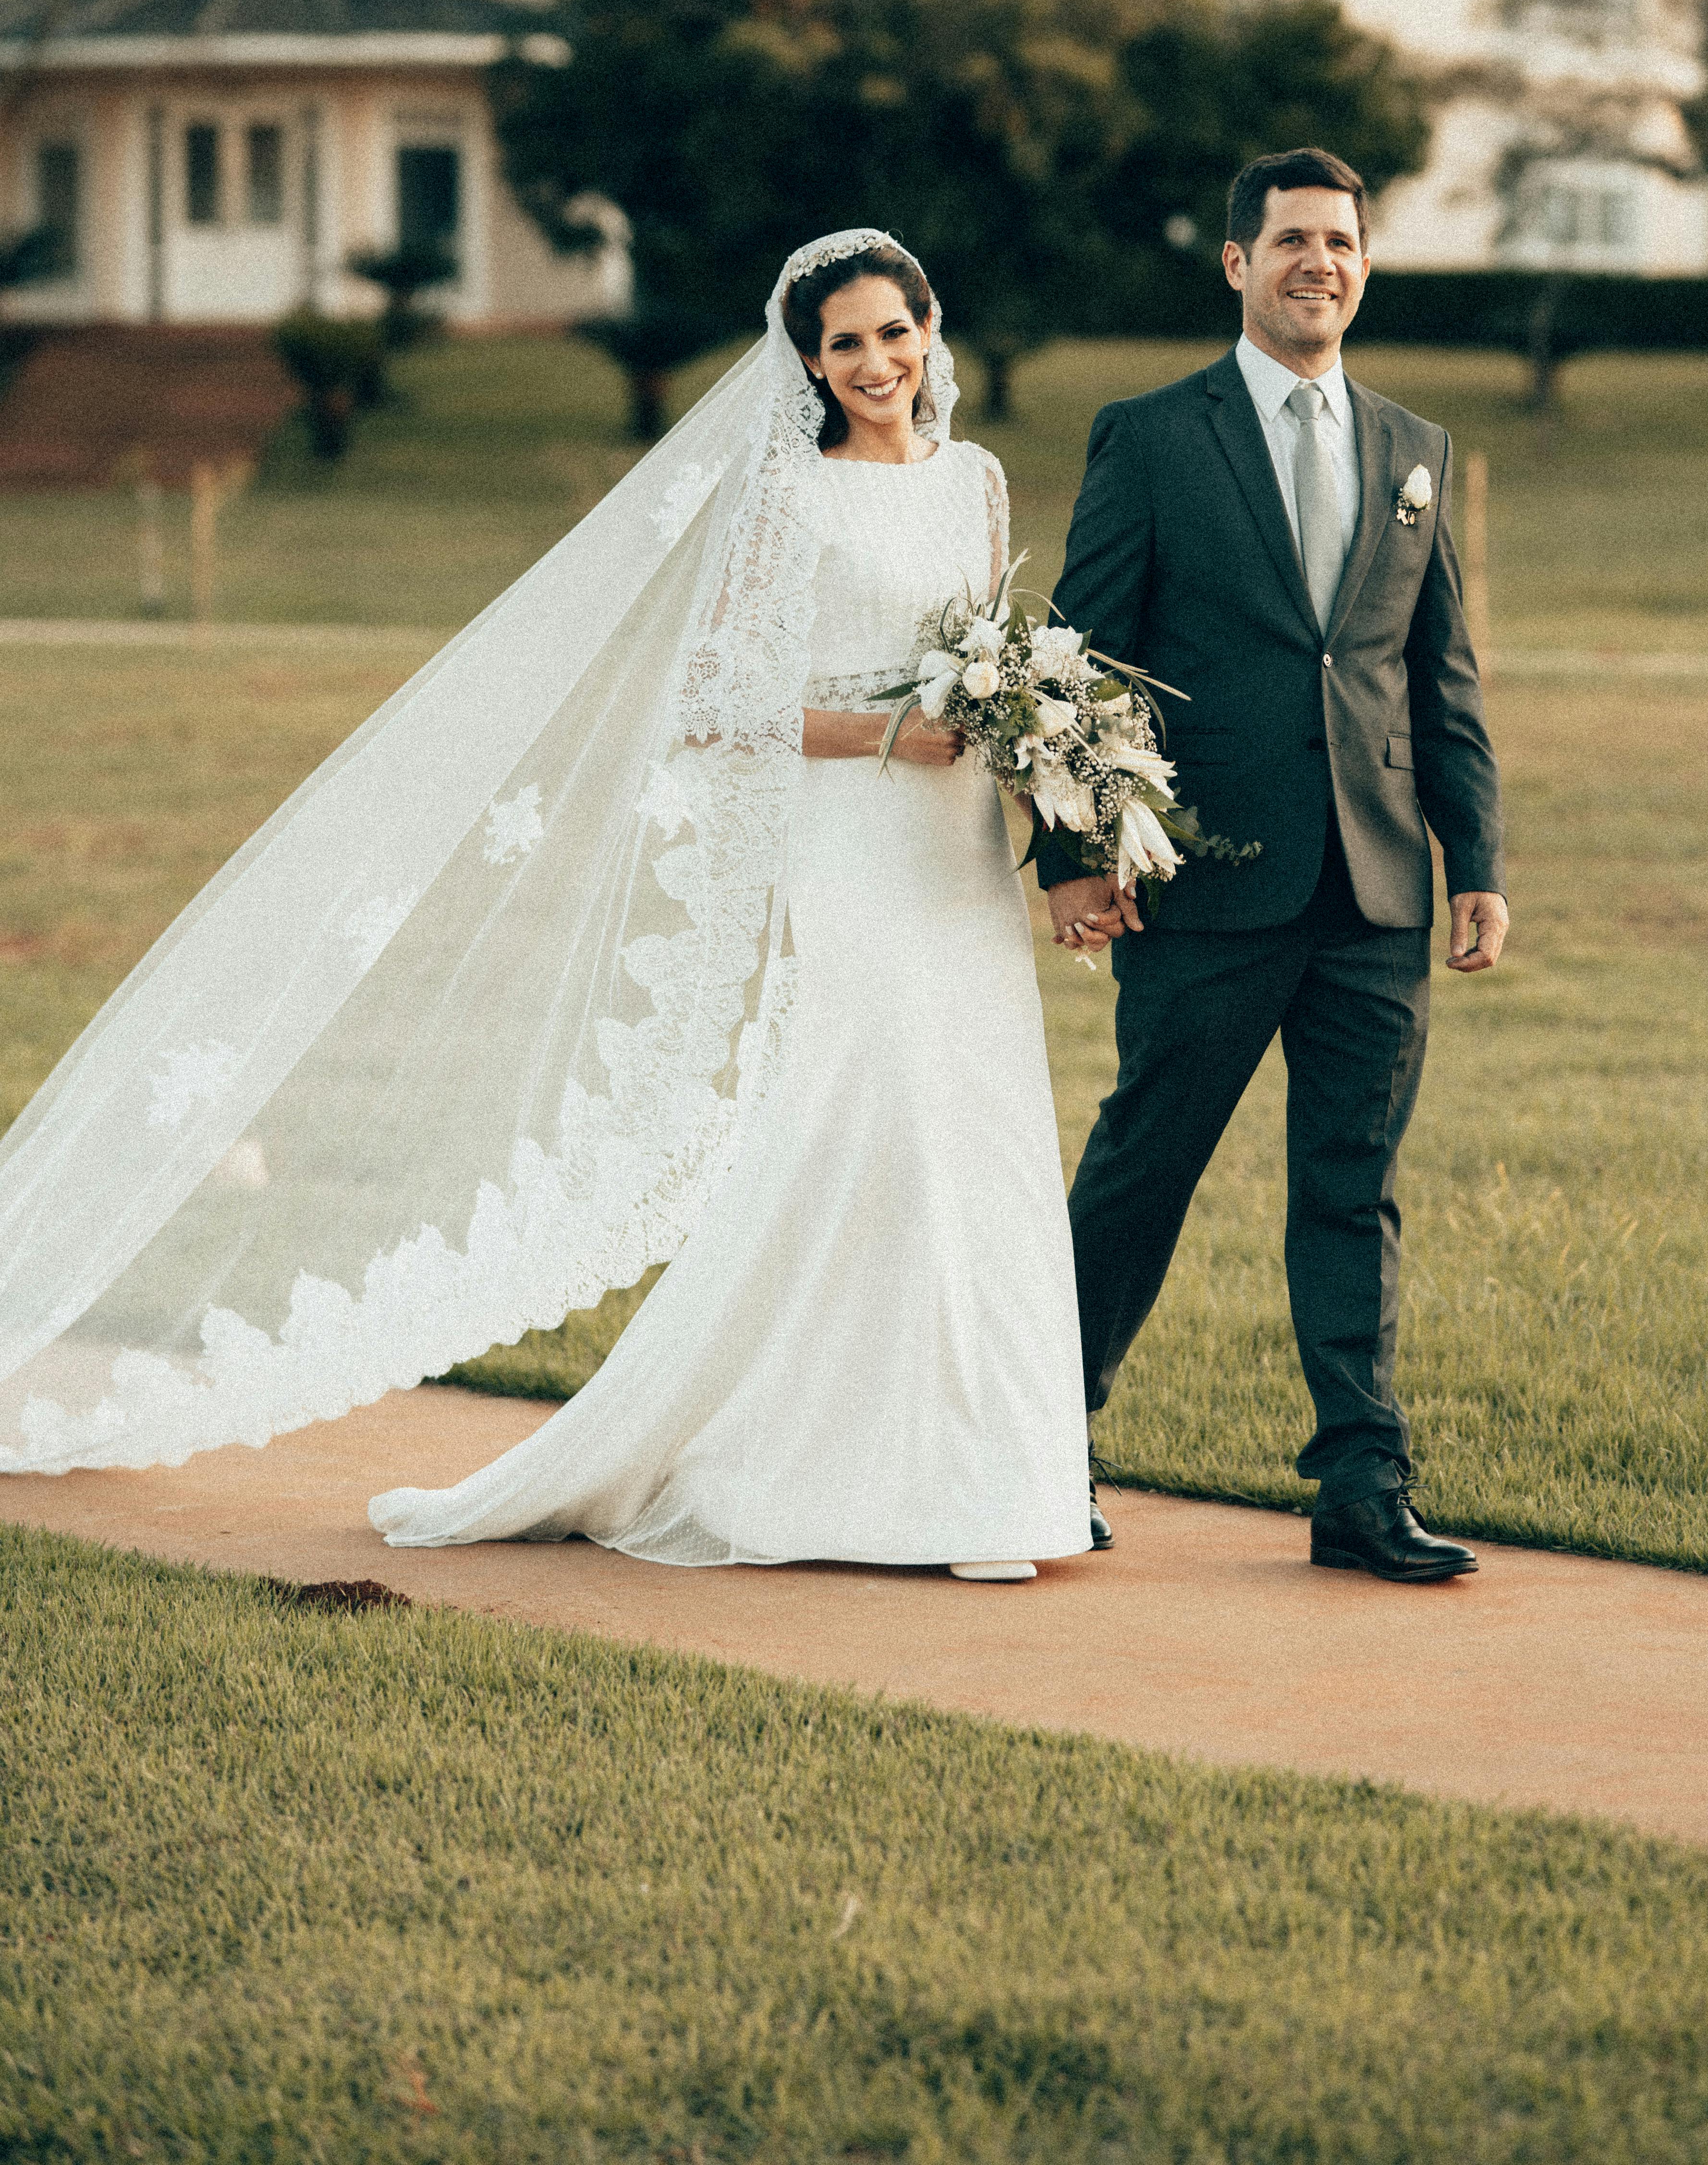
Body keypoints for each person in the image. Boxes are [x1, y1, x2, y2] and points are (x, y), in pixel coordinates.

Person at [0, 233, 1088, 1584]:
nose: (877, 363)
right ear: (808, 361)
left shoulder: (977, 485)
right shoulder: (787, 499)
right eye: (847, 343)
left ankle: (993, 1474)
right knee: (875, 1119)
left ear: (935, 327)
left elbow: (996, 662)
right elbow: (709, 701)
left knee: (976, 1125)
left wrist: (1038, 762)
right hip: (855, 843)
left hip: (959, 856)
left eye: (894, 332)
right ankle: (849, 1477)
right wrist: (880, 735)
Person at [1039, 150, 1507, 1581]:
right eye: (1294, 240)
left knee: (1352, 1189)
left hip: (1374, 892)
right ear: (1236, 263)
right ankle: (1038, 1443)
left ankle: (1363, 1488)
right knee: (1143, 1169)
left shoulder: (1415, 448)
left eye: (1344, 242)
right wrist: (1071, 855)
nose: (1323, 262)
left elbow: (1442, 676)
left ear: (1366, 264)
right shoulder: (1153, 436)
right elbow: (1082, 659)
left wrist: (1473, 854)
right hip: (1206, 881)